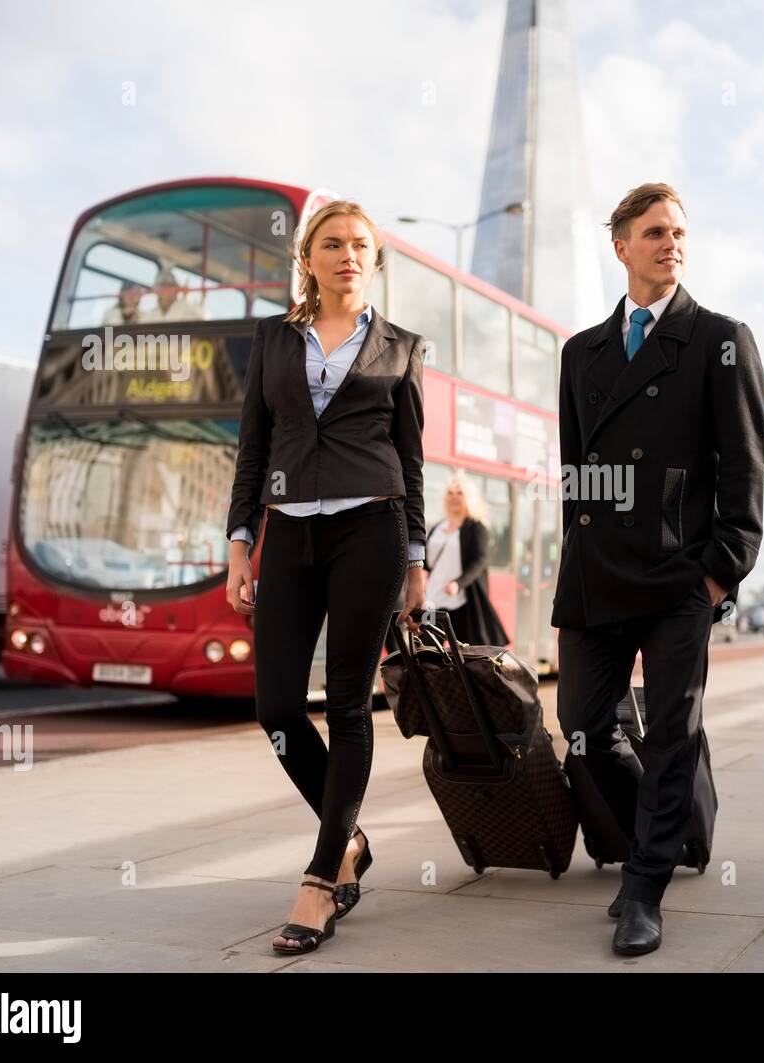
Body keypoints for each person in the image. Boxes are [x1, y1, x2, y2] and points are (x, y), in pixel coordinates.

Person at [552, 182, 764, 956]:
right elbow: (577, 470)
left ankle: (643, 885)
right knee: (580, 725)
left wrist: (719, 572)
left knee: (673, 730)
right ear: (621, 247)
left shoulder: (719, 338)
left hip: (679, 575)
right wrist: (572, 566)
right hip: (596, 576)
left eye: (679, 231)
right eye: (653, 232)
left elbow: (745, 468)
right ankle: (675, 827)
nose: (670, 242)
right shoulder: (582, 352)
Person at [224, 199, 427, 956]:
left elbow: (411, 463)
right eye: (333, 243)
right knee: (275, 705)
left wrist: (416, 560)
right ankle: (349, 838)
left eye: (361, 246)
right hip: (290, 531)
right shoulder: (274, 341)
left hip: (369, 529)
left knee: (347, 703)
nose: (348, 255)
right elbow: (252, 444)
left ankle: (320, 876)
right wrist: (241, 540)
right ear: (307, 257)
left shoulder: (402, 348)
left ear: (373, 261)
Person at [422, 471, 509, 646]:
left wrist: (458, 583)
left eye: (459, 493)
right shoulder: (438, 527)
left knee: (463, 653)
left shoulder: (476, 526)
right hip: (431, 599)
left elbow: (480, 560)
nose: (454, 497)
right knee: (427, 650)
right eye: (450, 493)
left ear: (468, 497)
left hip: (460, 601)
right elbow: (427, 560)